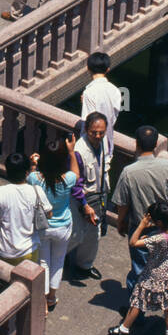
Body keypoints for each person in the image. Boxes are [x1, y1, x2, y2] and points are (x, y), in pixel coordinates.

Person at [111, 124, 168, 295]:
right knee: (164, 265)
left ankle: (137, 309)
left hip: (142, 228)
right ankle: (162, 298)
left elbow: (122, 204)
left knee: (139, 271)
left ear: (136, 143)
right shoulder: (166, 166)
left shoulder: (128, 172)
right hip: (166, 228)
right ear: (156, 143)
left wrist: (120, 223)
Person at [28, 136, 91, 313]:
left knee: (43, 262)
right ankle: (51, 297)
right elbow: (77, 175)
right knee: (58, 261)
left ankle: (42, 296)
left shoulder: (36, 178)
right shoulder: (68, 179)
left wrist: (33, 164)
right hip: (63, 226)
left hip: (43, 226)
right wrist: (71, 152)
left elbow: (30, 179)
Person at [108, 200, 168, 335]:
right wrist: (155, 228)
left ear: (160, 222)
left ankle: (123, 330)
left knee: (138, 301)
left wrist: (142, 226)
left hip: (153, 275)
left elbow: (133, 242)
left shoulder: (157, 238)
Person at [0, 151, 52, 265]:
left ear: (7, 171)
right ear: (27, 173)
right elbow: (49, 214)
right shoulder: (37, 191)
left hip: (3, 252)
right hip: (28, 252)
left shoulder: (0, 192)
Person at [67, 113, 111, 280]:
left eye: (101, 132)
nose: (98, 136)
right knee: (75, 233)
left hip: (98, 194)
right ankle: (57, 257)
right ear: (86, 130)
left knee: (94, 233)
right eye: (94, 132)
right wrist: (84, 205)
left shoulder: (103, 142)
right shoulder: (79, 151)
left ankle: (84, 265)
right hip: (82, 198)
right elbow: (75, 182)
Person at [80, 51, 123, 164]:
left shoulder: (89, 93)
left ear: (88, 68)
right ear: (108, 69)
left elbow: (87, 121)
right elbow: (113, 117)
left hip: (91, 149)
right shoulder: (116, 91)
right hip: (108, 144)